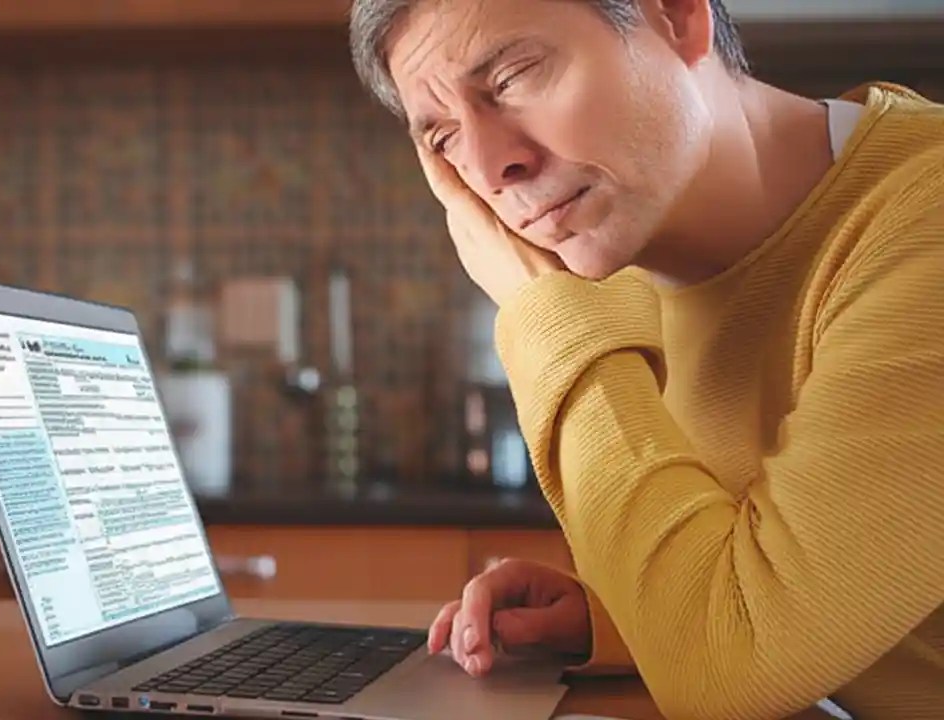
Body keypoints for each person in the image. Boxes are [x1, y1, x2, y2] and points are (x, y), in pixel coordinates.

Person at [348, 0, 944, 718]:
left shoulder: (923, 225)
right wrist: (631, 625)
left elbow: (732, 671)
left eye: (513, 77)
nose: (490, 166)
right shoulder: (628, 283)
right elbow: (799, 614)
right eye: (443, 136)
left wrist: (548, 313)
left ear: (675, 17)